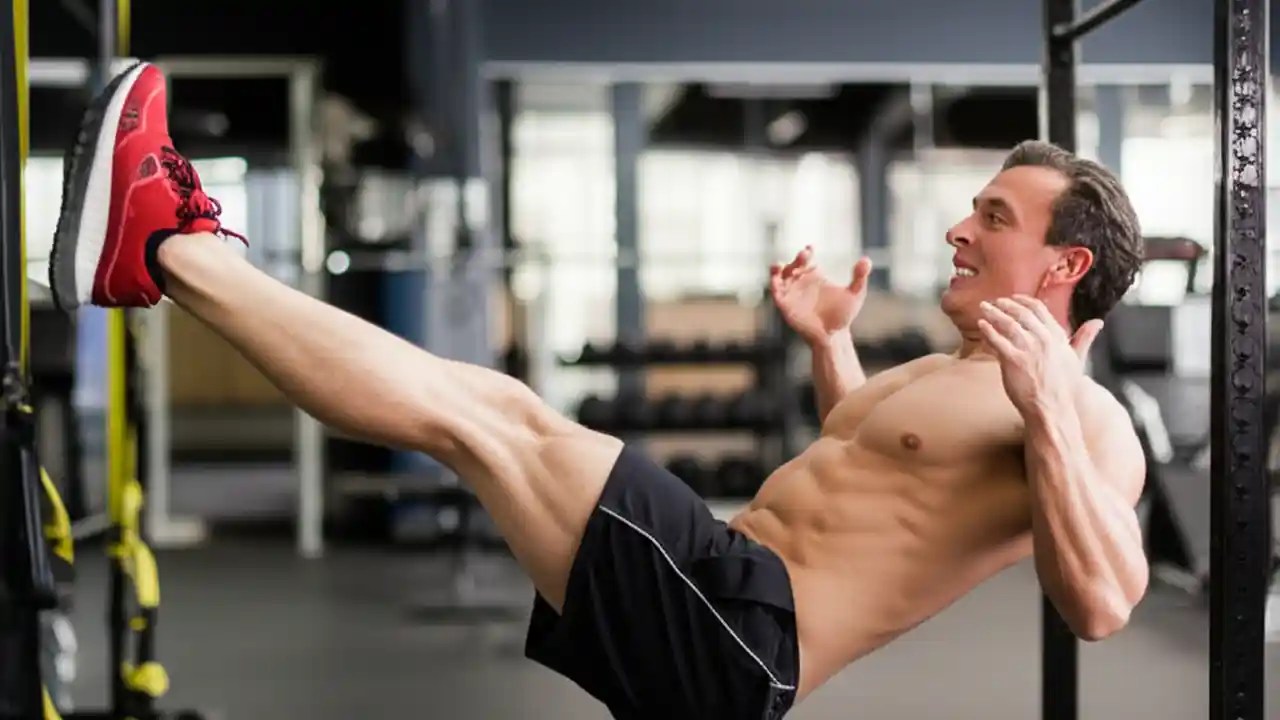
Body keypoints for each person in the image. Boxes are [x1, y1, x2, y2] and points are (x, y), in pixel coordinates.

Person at [49, 62, 1150, 720]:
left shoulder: (1084, 415)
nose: (959, 228)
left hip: (746, 638)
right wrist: (828, 344)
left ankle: (171, 251)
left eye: (992, 219)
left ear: (1061, 267)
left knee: (486, 412)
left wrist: (1051, 402)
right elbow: (870, 472)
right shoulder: (950, 369)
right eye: (970, 207)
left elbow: (1102, 604)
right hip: (725, 594)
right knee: (478, 425)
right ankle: (161, 257)